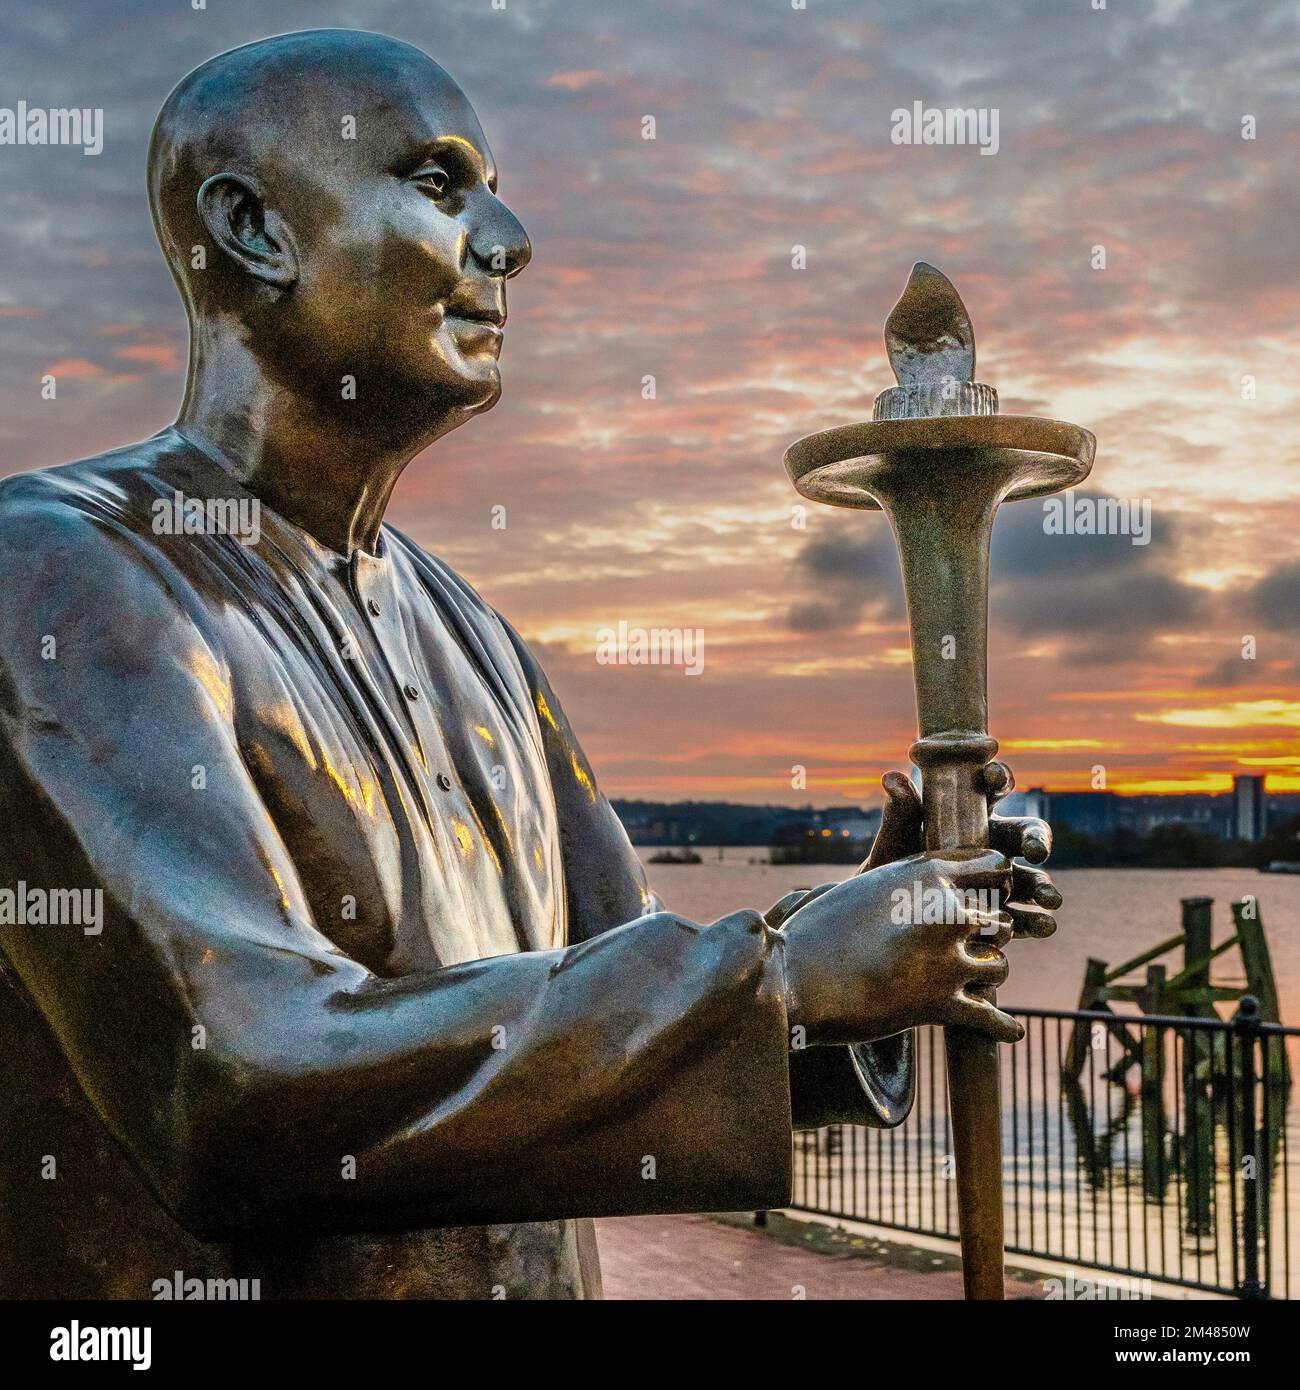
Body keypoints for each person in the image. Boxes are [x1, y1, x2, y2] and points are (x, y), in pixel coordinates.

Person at [0, 29, 1059, 1300]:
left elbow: (616, 996)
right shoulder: (64, 571)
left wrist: (855, 967)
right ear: (253, 228)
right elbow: (233, 1077)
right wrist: (777, 974)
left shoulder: (472, 631)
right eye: (441, 185)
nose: (509, 239)